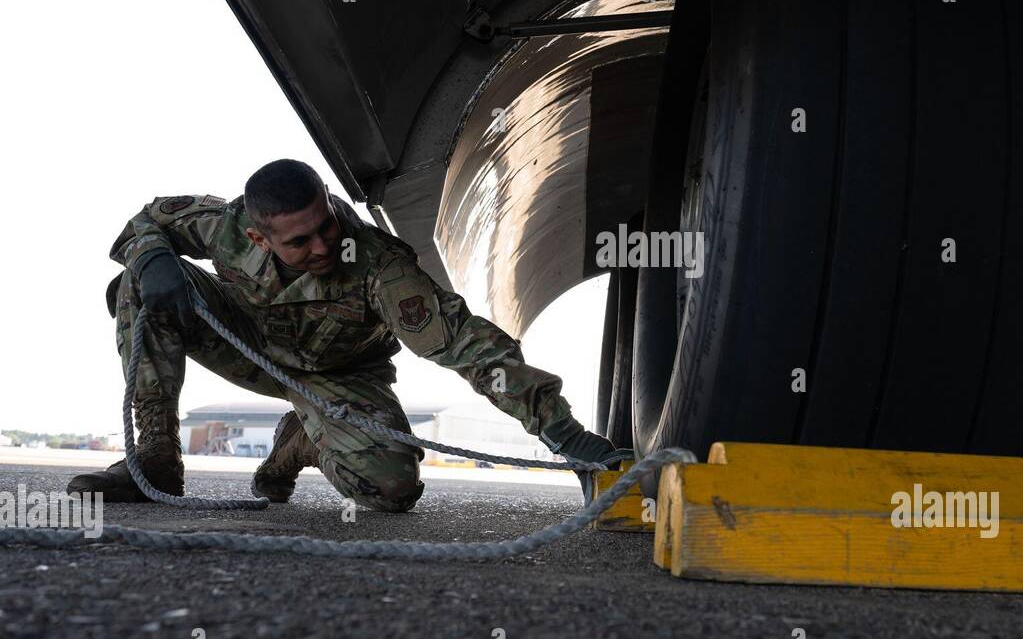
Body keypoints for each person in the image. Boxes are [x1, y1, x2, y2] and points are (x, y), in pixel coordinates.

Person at [66, 159, 619, 510]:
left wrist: (565, 436)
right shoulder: (224, 227)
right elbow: (150, 218)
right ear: (258, 237)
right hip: (250, 349)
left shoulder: (379, 265)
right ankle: (156, 457)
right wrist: (153, 253)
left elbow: (467, 345)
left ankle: (302, 440)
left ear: (330, 200)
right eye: (299, 241)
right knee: (137, 282)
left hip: (341, 376)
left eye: (326, 223)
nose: (323, 247)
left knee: (389, 490)